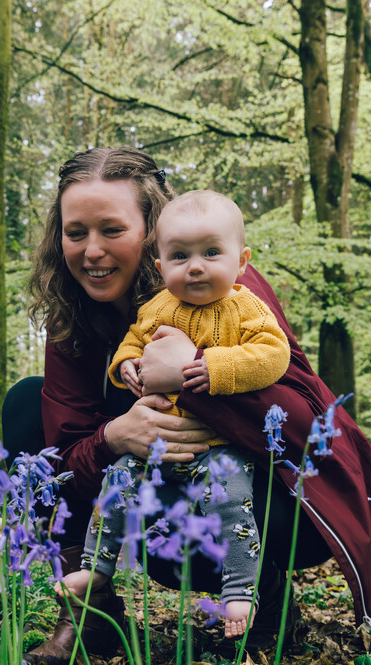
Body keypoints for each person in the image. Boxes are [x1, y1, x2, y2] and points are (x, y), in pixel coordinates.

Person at [4, 147, 371, 665]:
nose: (92, 251)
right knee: (27, 401)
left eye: (112, 230)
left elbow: (307, 425)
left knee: (216, 498)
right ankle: (88, 613)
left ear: (150, 233)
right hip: (148, 479)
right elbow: (64, 469)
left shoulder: (226, 287)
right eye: (76, 233)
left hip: (268, 496)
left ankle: (263, 591)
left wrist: (193, 371)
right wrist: (114, 437)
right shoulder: (71, 319)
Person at [60, 189, 291, 639]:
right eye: (180, 256)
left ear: (241, 261)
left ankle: (240, 590)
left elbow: (272, 354)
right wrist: (125, 363)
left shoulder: (246, 307)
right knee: (118, 483)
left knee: (230, 503)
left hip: (216, 449)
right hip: (156, 451)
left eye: (211, 253)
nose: (196, 266)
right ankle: (96, 569)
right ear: (162, 267)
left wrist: (214, 366)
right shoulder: (158, 307)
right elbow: (135, 338)